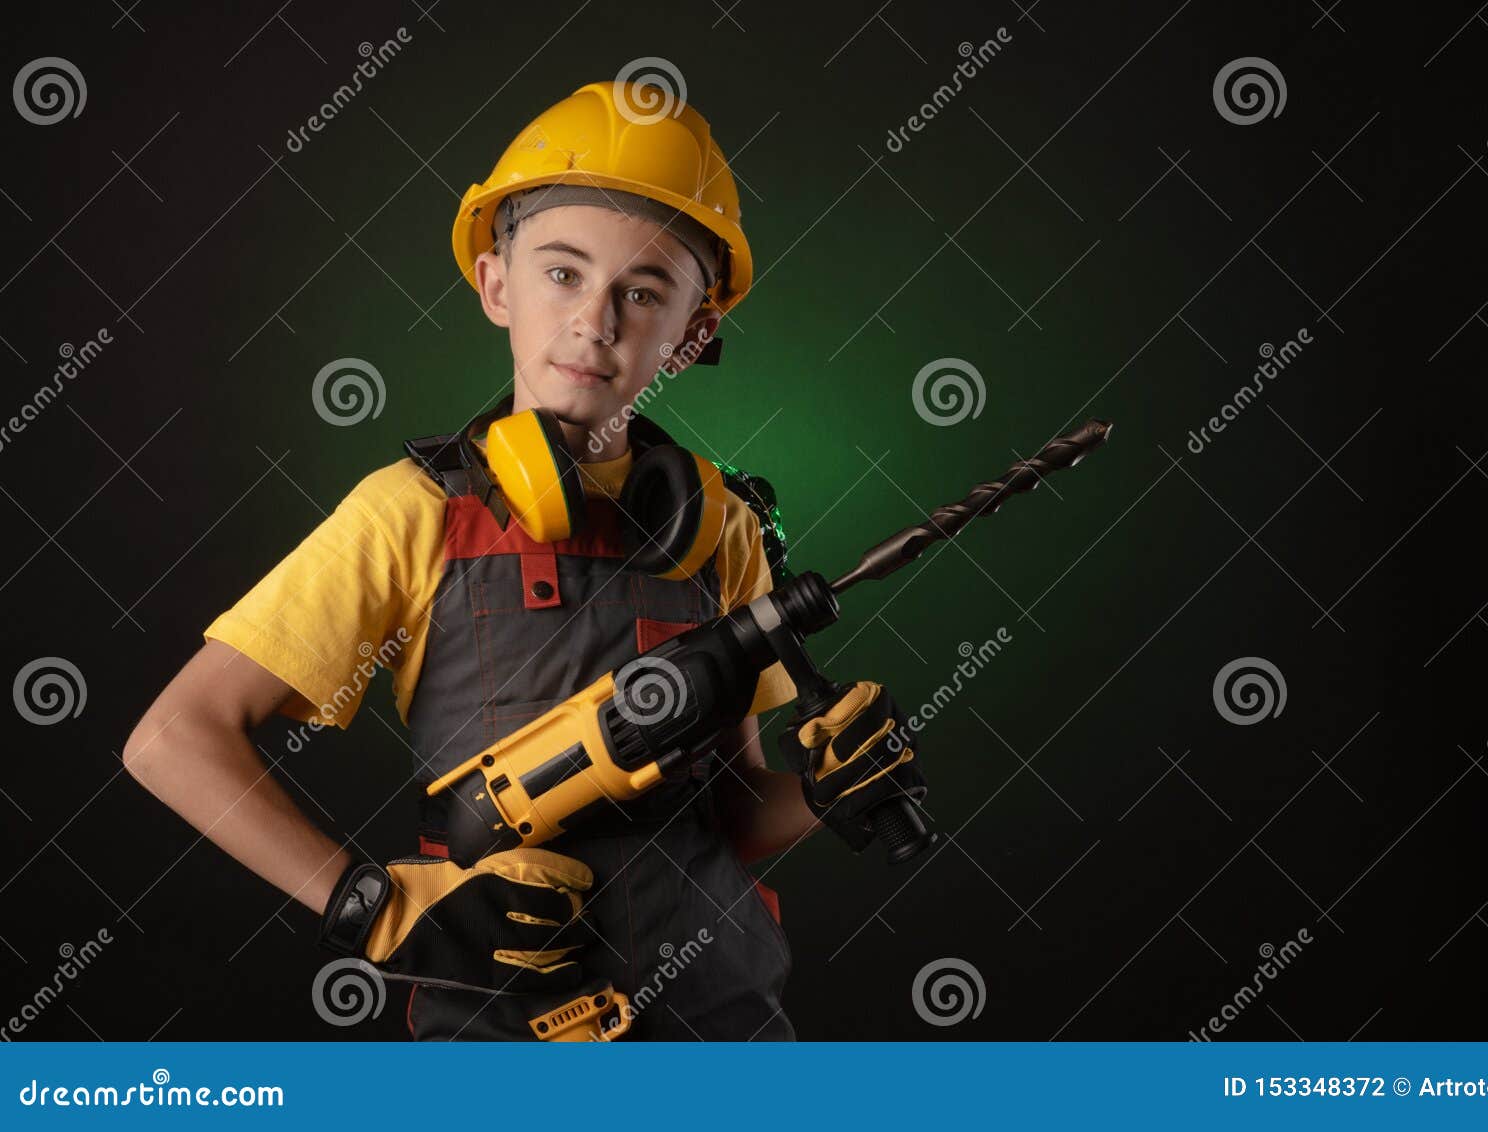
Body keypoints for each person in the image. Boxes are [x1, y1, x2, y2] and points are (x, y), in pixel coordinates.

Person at [123, 80, 924, 1042]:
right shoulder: (412, 513)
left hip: (726, 1029)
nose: (596, 321)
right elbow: (174, 739)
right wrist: (372, 909)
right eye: (562, 273)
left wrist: (827, 795)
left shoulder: (721, 528)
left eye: (643, 292)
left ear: (693, 333)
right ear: (496, 284)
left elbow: (737, 814)